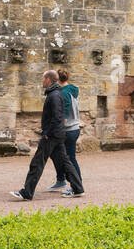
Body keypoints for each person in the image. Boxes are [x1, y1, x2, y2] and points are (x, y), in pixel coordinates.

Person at [12, 69, 84, 200]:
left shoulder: (55, 95)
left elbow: (58, 117)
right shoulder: (56, 93)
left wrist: (47, 134)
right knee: (65, 162)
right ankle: (78, 188)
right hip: (58, 134)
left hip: (52, 136)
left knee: (37, 163)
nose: (42, 81)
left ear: (48, 80)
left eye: (43, 79)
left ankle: (27, 193)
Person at [46, 68, 83, 195]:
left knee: (70, 159)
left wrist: (56, 129)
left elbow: (65, 114)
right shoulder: (72, 89)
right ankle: (61, 180)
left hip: (68, 130)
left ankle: (77, 186)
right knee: (56, 155)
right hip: (73, 128)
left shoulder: (64, 92)